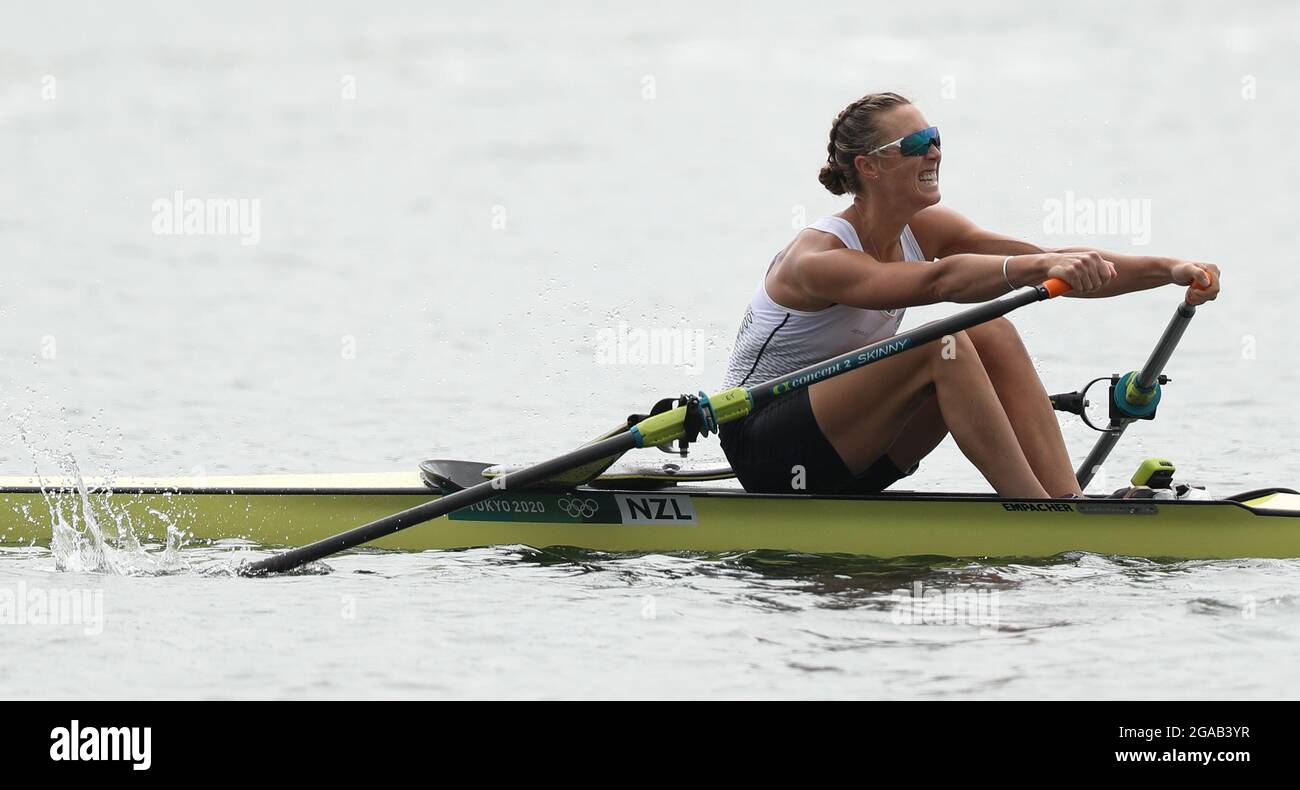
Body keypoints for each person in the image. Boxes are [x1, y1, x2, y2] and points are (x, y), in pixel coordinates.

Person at [718, 92, 1220, 498]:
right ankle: (1038, 514)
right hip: (767, 449)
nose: (934, 152)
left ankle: (1067, 503)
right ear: (869, 167)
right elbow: (940, 282)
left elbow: (1049, 259)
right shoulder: (817, 259)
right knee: (943, 345)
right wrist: (1042, 266)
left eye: (934, 138)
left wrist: (1170, 269)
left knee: (989, 329)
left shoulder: (923, 229)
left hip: (852, 446)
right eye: (915, 143)